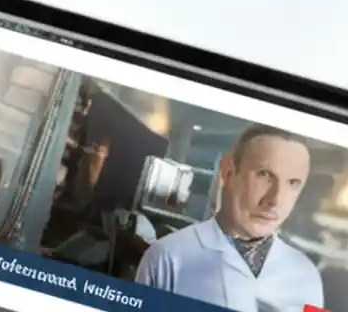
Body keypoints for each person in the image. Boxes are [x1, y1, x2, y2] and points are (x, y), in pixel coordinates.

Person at [135, 124, 324, 311]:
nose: (275, 200)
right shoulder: (167, 258)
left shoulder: (307, 277)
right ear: (227, 171)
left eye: (293, 183)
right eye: (265, 175)